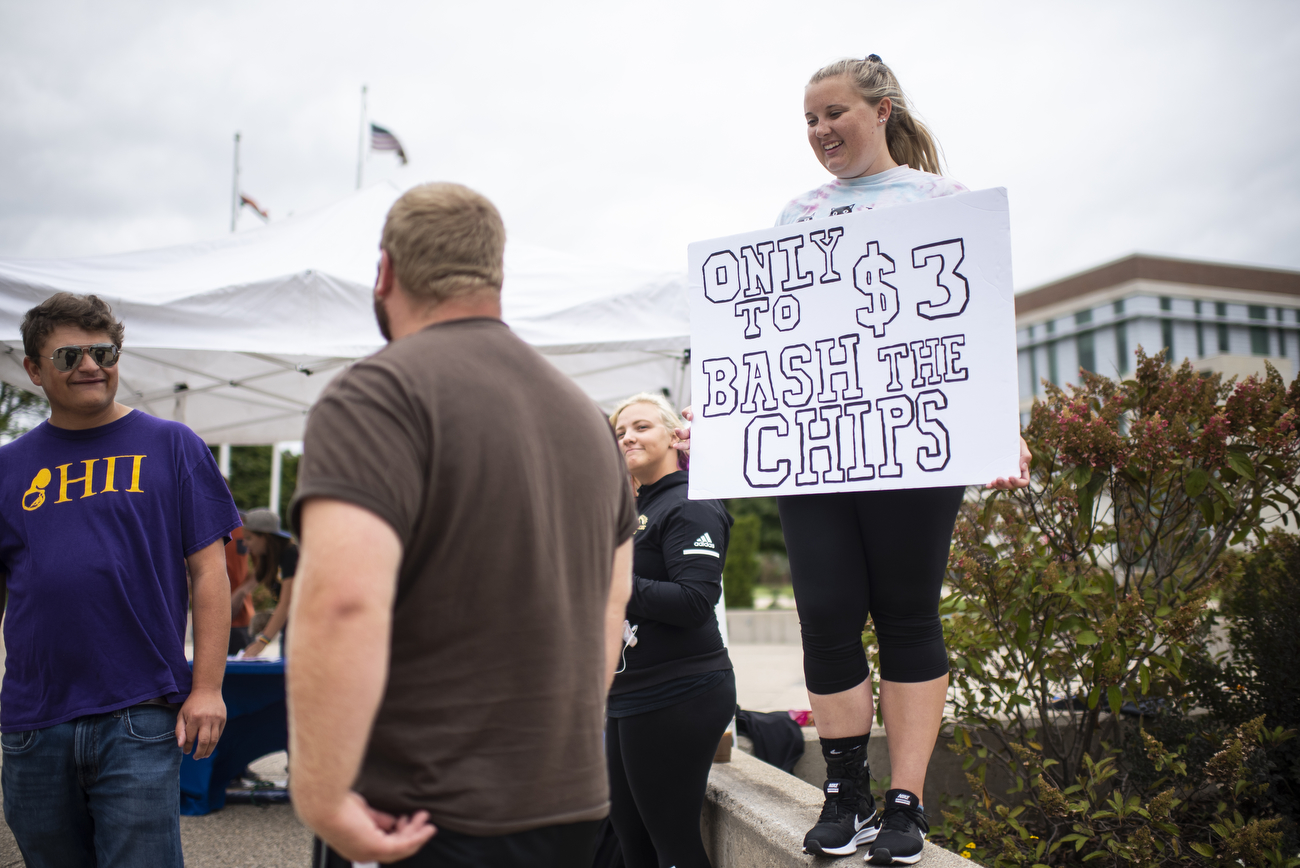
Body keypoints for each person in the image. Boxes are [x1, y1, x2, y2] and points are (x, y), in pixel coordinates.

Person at [677, 55, 1031, 865]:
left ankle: (905, 803)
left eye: (833, 112)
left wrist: (997, 421)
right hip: (818, 453)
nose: (820, 130)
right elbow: (769, 339)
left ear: (881, 111)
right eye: (809, 119)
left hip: (913, 446)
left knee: (907, 614)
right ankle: (845, 792)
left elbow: (973, 325)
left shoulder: (944, 201)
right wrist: (725, 414)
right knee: (827, 615)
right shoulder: (796, 213)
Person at [287, 182, 637, 867]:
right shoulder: (588, 418)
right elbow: (610, 605)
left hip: (419, 814)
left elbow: (341, 603)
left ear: (386, 271)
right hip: (565, 806)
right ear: (494, 275)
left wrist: (320, 793)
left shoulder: (378, 394)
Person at [0, 292, 238, 867]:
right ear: (33, 369)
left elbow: (210, 573)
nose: (90, 365)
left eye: (103, 352)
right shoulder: (7, 467)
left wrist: (207, 688)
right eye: (69, 356)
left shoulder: (172, 445)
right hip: (34, 721)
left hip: (141, 713)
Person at [605, 393, 735, 868]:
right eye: (620, 432)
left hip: (680, 690)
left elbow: (694, 602)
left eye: (641, 427)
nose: (627, 438)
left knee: (671, 845)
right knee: (632, 843)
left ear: (674, 436)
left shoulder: (688, 503)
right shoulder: (636, 508)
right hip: (629, 692)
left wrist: (612, 580)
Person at [234, 507, 298, 657]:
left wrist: (262, 642)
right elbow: (243, 590)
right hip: (292, 628)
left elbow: (287, 603)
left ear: (265, 537)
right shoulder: (269, 560)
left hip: (310, 630)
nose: (245, 543)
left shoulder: (291, 554)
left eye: (249, 538)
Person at [227, 520, 254, 655]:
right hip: (207, 621)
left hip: (241, 620)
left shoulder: (243, 524)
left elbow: (263, 566)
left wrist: (241, 592)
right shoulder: (197, 522)